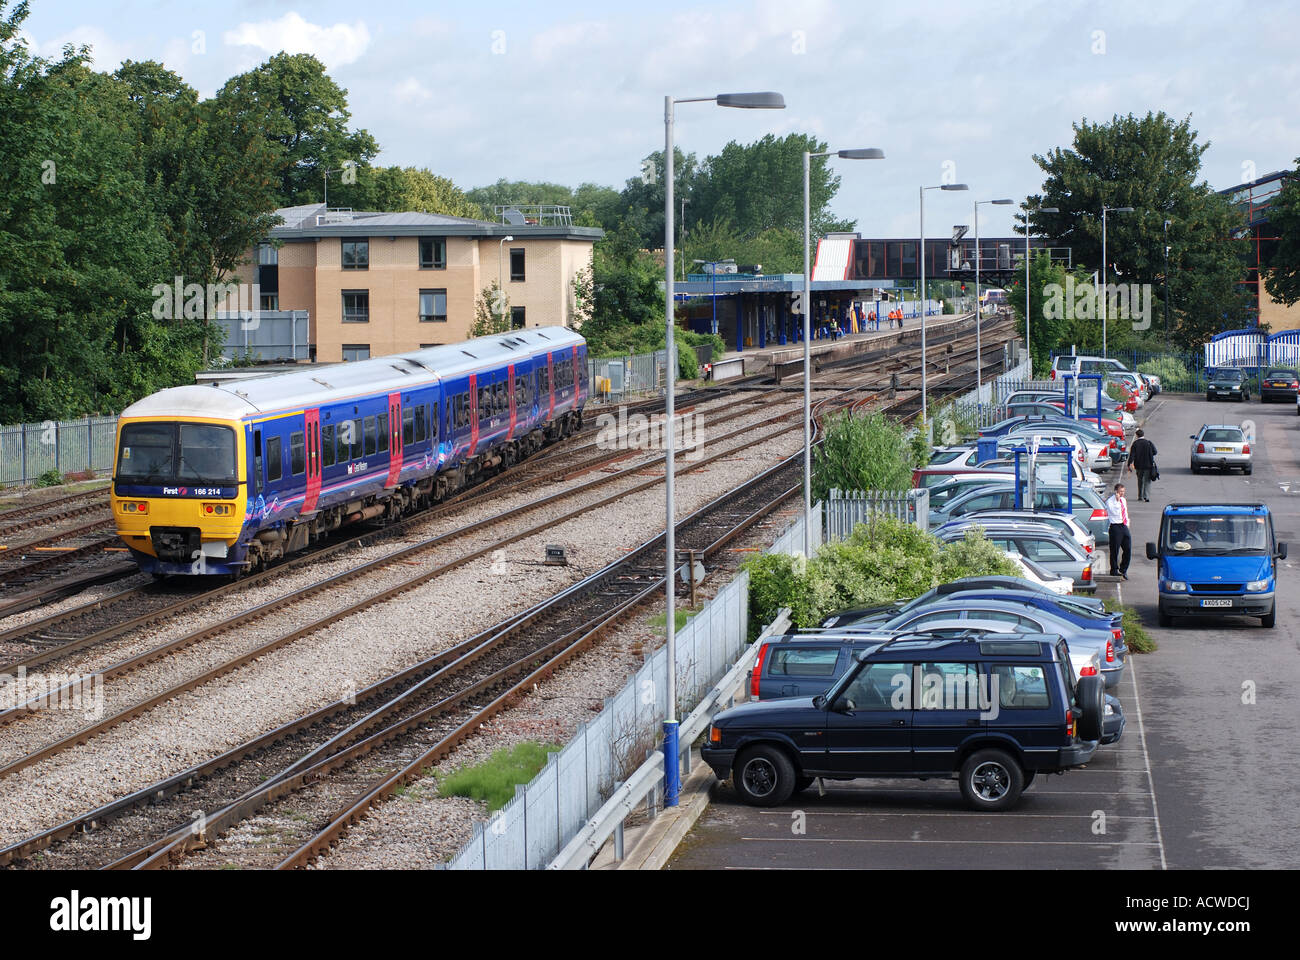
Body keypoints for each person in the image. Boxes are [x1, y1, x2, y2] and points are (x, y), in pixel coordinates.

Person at [1105, 482, 1132, 578]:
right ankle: (1114, 569)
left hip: (1123, 525)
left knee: (1128, 548)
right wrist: (1117, 501)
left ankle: (1123, 569)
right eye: (1120, 491)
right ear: (1116, 492)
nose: (1122, 493)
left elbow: (1125, 512)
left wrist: (1127, 523)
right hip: (1115, 526)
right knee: (1115, 550)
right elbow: (1115, 512)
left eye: (1123, 491)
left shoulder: (1123, 500)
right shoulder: (1110, 502)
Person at [1126, 428, 1158, 501]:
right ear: (1143, 435)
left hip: (1139, 465)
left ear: (1137, 435)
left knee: (1140, 480)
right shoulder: (1149, 443)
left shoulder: (1135, 444)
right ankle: (1146, 496)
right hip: (1148, 465)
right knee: (1147, 481)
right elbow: (1155, 452)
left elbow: (1132, 455)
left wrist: (1129, 464)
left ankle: (1140, 496)